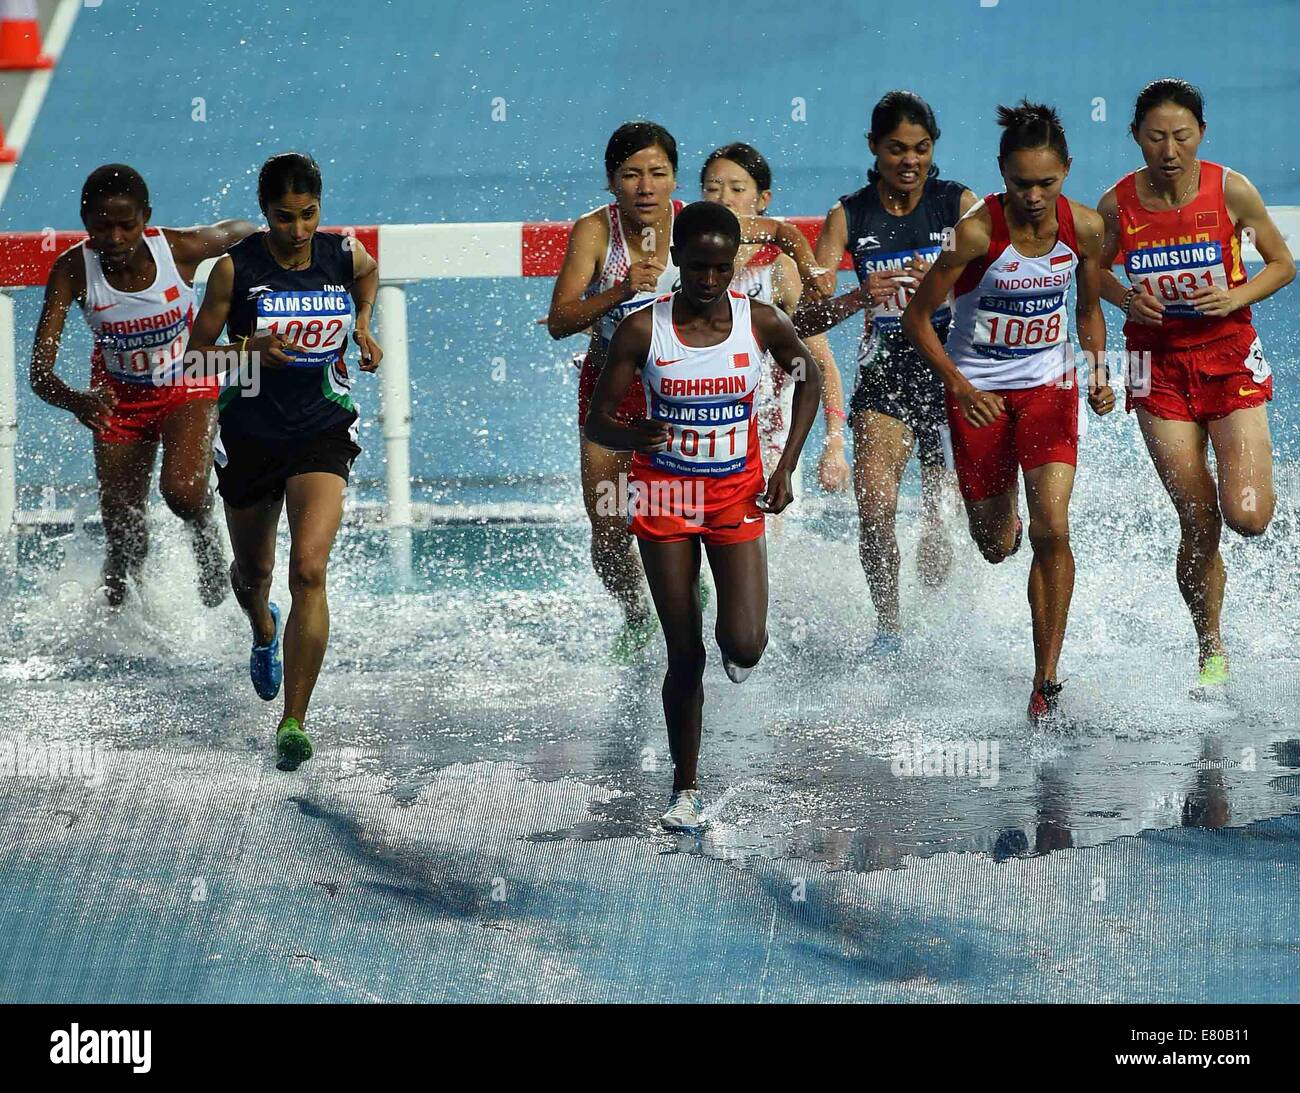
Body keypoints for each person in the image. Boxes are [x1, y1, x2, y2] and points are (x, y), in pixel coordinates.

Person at [547, 121, 831, 663]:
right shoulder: (595, 232)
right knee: (607, 526)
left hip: (680, 389)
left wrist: (811, 266)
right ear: (612, 181)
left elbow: (780, 234)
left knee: (692, 501)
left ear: (676, 180)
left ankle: (699, 586)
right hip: (614, 388)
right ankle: (636, 612)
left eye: (658, 173)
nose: (646, 187)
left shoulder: (698, 227)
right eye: (632, 174)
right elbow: (560, 320)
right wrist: (619, 291)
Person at [584, 201, 823, 831]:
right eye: (697, 268)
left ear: (733, 266)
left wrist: (787, 465)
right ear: (676, 262)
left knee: (744, 644)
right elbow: (599, 419)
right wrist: (639, 434)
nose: (710, 281)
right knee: (683, 650)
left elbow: (810, 381)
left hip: (736, 496)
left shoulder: (761, 322)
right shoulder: (643, 331)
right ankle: (684, 789)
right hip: (664, 498)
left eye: (721, 268)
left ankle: (735, 635)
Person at [902, 102, 1115, 723]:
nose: (1034, 196)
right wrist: (961, 387)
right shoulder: (976, 232)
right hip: (979, 395)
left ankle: (1046, 680)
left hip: (1050, 385)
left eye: (1047, 183)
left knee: (1054, 528)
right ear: (1002, 173)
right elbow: (919, 320)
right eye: (1021, 183)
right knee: (996, 544)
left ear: (1066, 173)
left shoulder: (1086, 230)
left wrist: (1099, 371)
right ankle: (1005, 528)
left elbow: (1088, 310)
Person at [187, 153, 383, 770]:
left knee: (308, 571)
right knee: (254, 576)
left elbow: (369, 274)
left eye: (308, 216)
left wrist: (366, 328)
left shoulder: (342, 255)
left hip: (322, 431)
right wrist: (249, 348)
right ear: (264, 211)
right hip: (249, 436)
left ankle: (293, 721)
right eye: (283, 218)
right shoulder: (233, 270)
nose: (297, 231)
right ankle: (263, 629)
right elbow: (195, 360)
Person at [1097, 78, 1294, 691]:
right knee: (1198, 519)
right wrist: (1128, 297)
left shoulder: (1231, 189)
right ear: (1136, 138)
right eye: (1156, 137)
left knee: (1249, 515)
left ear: (1200, 134)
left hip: (1229, 356)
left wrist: (1234, 294)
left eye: (1181, 136)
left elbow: (1285, 264)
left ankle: (1245, 470)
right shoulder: (1115, 205)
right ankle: (1210, 647)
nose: (1170, 149)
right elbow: (1092, 273)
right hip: (1151, 365)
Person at [797, 92, 976, 655]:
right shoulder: (847, 216)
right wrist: (857, 297)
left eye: (921, 149)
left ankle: (950, 625)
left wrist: (949, 276)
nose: (910, 161)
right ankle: (889, 628)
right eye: (896, 149)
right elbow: (805, 316)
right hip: (886, 373)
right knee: (874, 514)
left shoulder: (957, 204)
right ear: (873, 148)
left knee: (939, 522)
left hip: (951, 369)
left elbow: (998, 274)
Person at [30, 164, 255, 606]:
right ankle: (117, 624)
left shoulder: (181, 249)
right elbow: (39, 372)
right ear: (84, 221)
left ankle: (206, 537)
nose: (114, 238)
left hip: (186, 386)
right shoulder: (73, 270)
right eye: (101, 227)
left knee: (183, 494)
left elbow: (243, 230)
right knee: (124, 540)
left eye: (126, 225)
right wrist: (76, 400)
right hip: (117, 401)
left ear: (146, 218)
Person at [700, 142, 851, 514]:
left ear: (762, 199)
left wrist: (834, 444)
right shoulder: (686, 261)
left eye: (737, 189)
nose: (724, 199)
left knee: (764, 540)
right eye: (712, 188)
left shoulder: (779, 268)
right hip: (700, 424)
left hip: (767, 431)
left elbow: (820, 364)